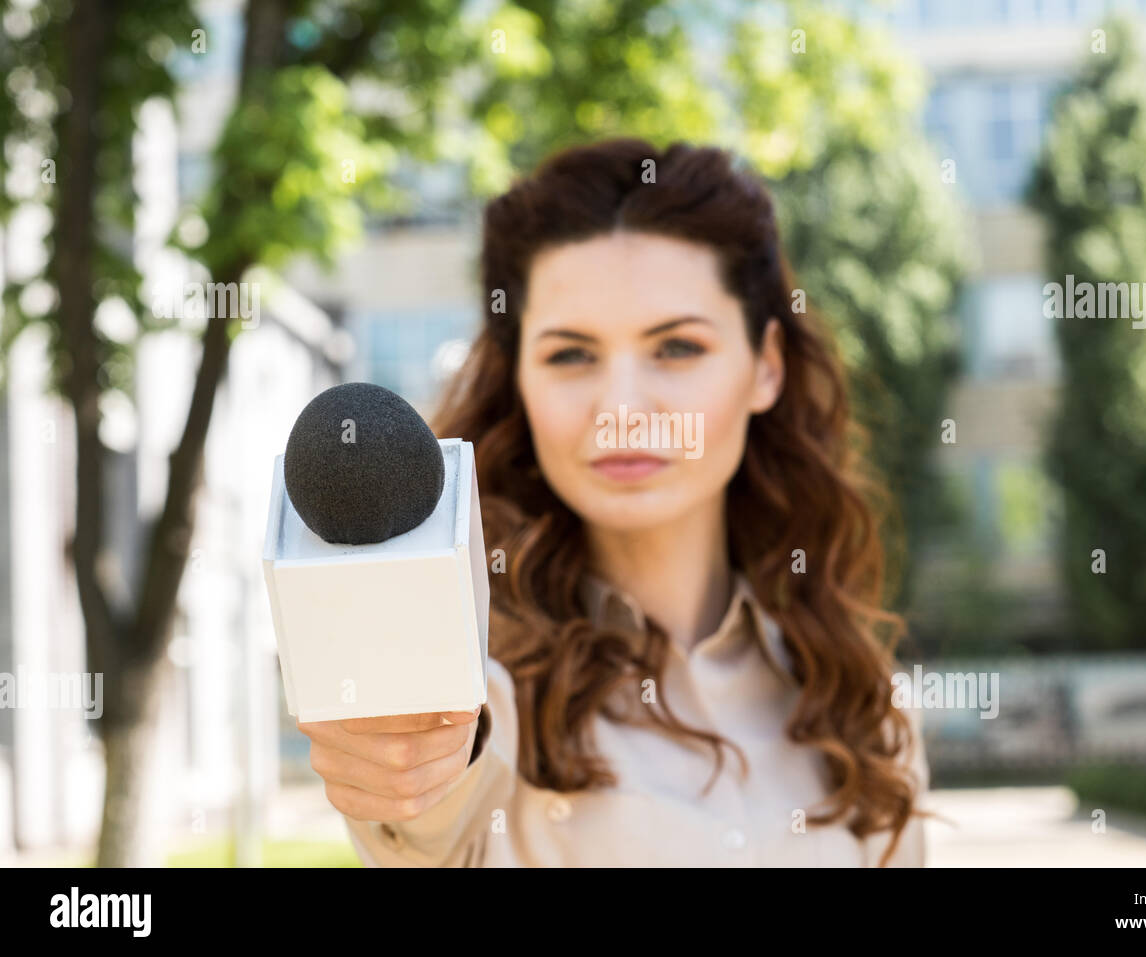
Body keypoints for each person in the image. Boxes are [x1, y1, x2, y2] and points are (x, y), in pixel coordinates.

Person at [297, 138, 932, 866]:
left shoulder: (868, 716)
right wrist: (407, 750)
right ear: (520, 382)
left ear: (766, 367)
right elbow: (422, 796)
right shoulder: (481, 695)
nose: (622, 410)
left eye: (677, 348)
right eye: (570, 354)